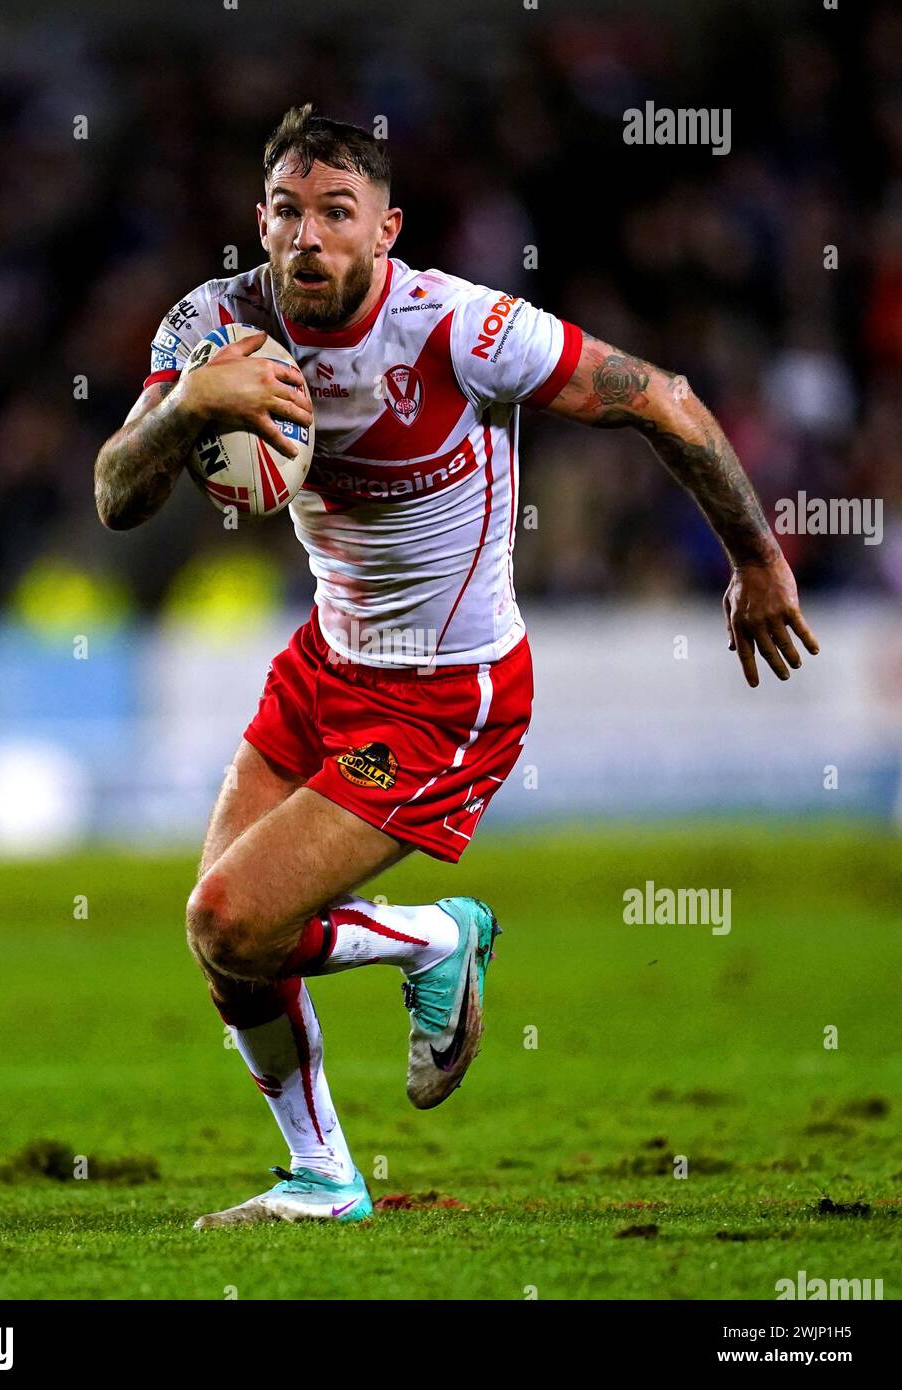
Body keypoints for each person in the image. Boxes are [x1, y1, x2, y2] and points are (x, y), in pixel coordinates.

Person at [93, 104, 819, 1227]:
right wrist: (188, 404)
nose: (309, 238)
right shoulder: (214, 327)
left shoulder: (460, 330)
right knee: (228, 950)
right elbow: (115, 496)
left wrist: (756, 558)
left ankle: (440, 935)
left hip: (448, 695)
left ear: (385, 230)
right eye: (287, 211)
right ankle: (322, 1175)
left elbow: (660, 400)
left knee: (230, 916)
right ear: (260, 221)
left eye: (338, 213)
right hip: (322, 666)